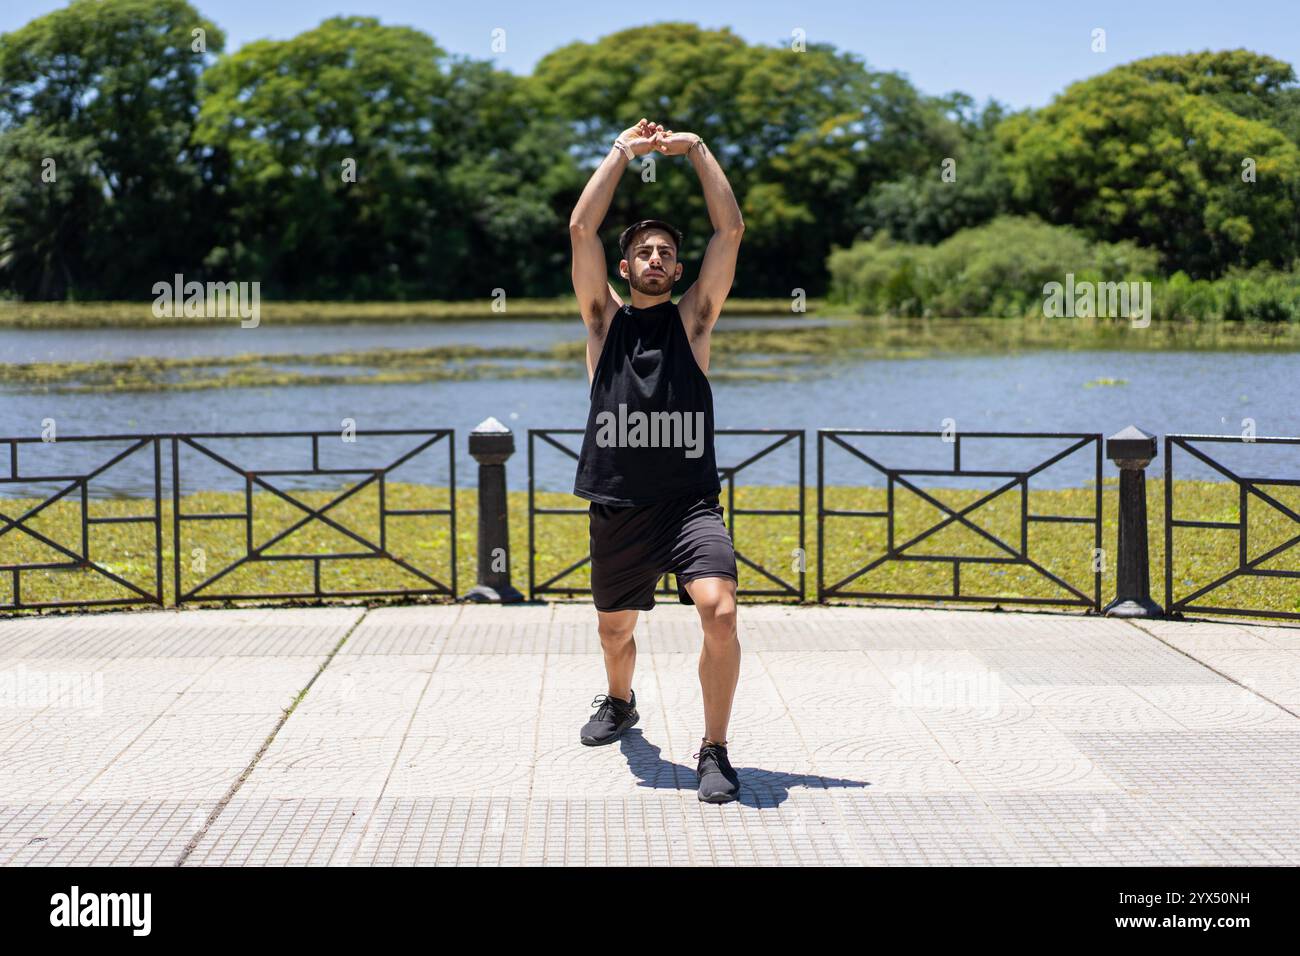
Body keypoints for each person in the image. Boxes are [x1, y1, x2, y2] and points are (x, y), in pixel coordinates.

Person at [568, 118, 746, 803]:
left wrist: (697, 148)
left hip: (688, 504)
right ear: (626, 266)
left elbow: (728, 233)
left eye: (666, 252)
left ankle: (716, 748)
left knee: (721, 612)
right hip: (619, 505)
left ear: (677, 268)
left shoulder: (694, 322)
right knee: (615, 630)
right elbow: (582, 230)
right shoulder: (603, 323)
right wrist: (622, 151)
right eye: (643, 251)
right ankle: (620, 702)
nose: (655, 260)